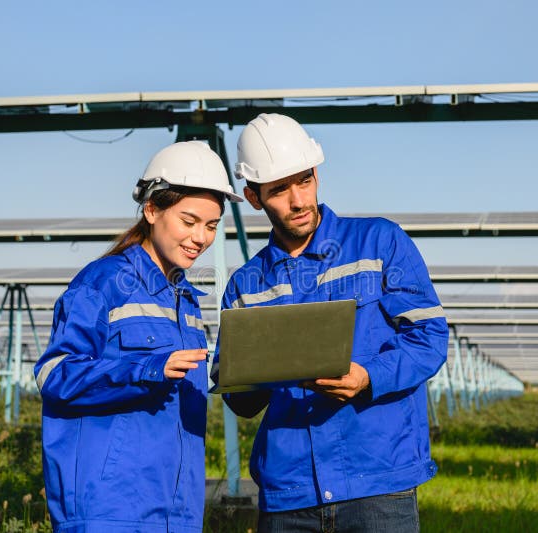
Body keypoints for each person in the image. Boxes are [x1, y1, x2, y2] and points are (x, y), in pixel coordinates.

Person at [214, 113, 449, 532]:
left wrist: (368, 376)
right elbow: (241, 400)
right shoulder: (246, 286)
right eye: (279, 190)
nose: (298, 200)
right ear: (253, 198)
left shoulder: (380, 242)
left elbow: (428, 338)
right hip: (290, 492)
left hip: (377, 485)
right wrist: (247, 371)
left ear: (316, 173)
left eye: (304, 180)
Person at [34, 140, 243, 533]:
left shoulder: (187, 301)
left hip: (176, 511)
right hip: (110, 510)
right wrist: (146, 368)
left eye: (212, 226)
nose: (201, 237)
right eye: (189, 220)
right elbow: (54, 375)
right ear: (151, 210)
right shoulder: (103, 283)